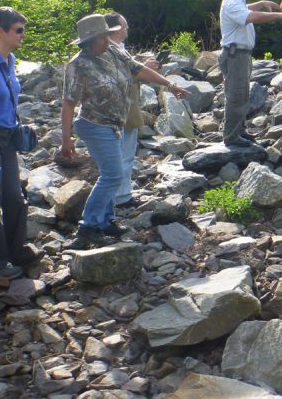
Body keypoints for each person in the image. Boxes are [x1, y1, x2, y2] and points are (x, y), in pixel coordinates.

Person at [60, 14, 189, 247]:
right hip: (94, 125)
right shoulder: (78, 65)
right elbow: (69, 103)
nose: (107, 40)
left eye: (108, 35)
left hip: (116, 125)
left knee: (110, 174)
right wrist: (66, 139)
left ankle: (107, 220)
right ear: (88, 41)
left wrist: (170, 84)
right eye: (102, 37)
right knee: (113, 175)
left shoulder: (113, 52)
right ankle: (88, 226)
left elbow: (137, 69)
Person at [219, 0, 282, 146]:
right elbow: (251, 17)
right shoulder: (232, 3)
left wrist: (262, 2)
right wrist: (280, 15)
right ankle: (231, 137)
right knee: (235, 95)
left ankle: (239, 131)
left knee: (242, 95)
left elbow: (247, 8)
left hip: (240, 55)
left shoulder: (236, 0)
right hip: (235, 56)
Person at [0, 7, 41, 279]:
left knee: (14, 197)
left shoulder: (9, 61)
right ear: (0, 31)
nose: (23, 34)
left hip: (7, 138)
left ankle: (15, 251)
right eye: (19, 30)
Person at [104, 13, 160, 209]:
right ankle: (120, 197)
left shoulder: (117, 48)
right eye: (124, 26)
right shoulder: (109, 49)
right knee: (122, 155)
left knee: (125, 154)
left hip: (127, 108)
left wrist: (143, 68)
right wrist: (143, 69)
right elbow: (121, 77)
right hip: (120, 110)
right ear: (114, 30)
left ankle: (122, 194)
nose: (127, 30)